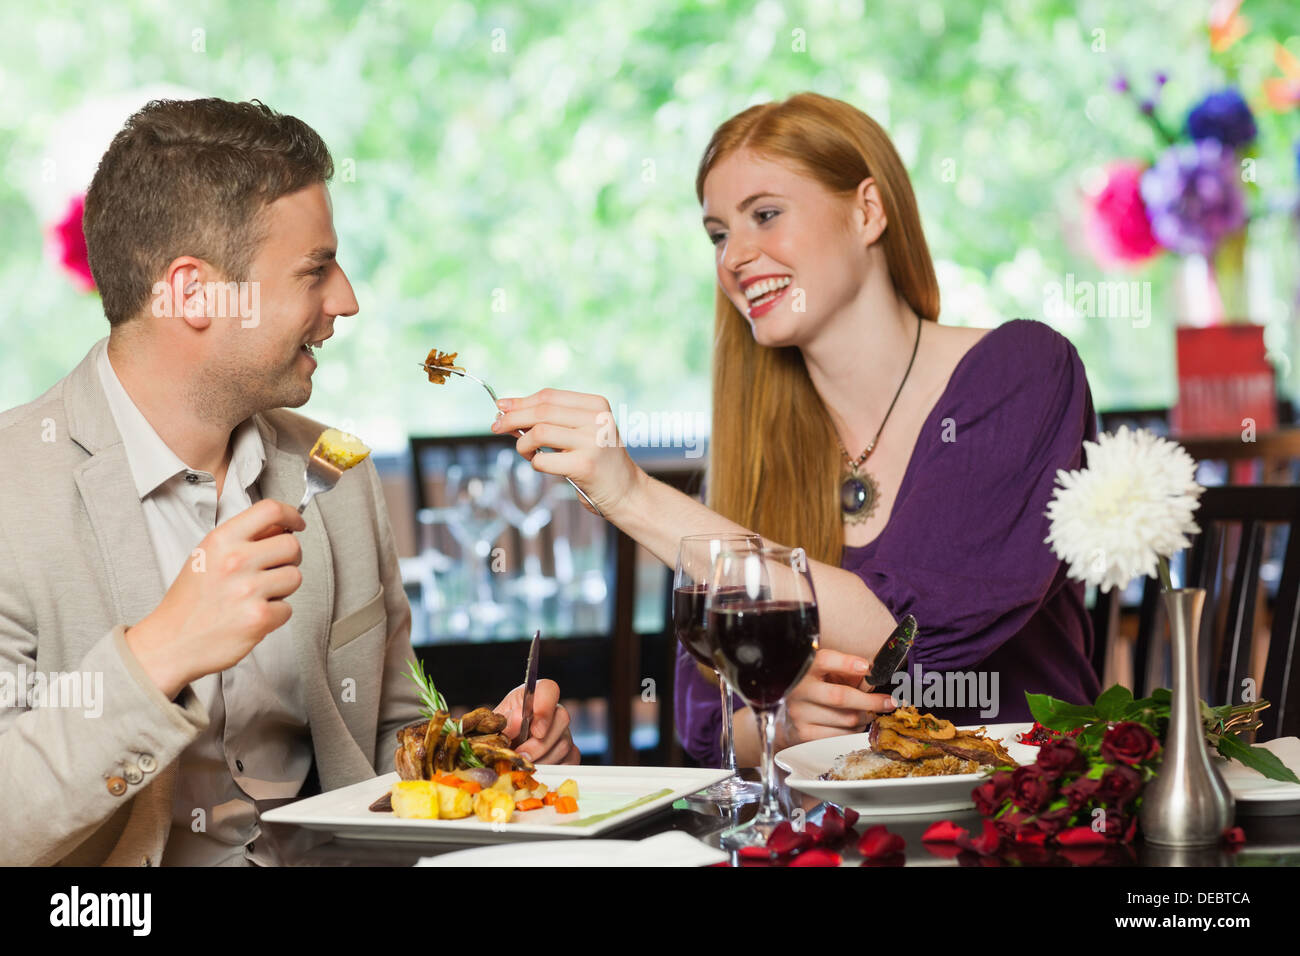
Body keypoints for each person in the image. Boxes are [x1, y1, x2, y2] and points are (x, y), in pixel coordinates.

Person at [0, 98, 577, 867]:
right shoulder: (14, 488)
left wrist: (478, 757)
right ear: (194, 291)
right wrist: (158, 652)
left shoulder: (337, 470)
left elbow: (380, 744)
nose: (345, 300)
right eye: (315, 269)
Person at [490, 92, 1101, 768]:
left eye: (766, 215)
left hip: (1020, 821)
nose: (733, 258)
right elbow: (708, 724)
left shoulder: (1023, 374)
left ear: (867, 211)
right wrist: (781, 722)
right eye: (719, 234)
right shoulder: (756, 442)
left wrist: (630, 493)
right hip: (836, 834)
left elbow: (907, 638)